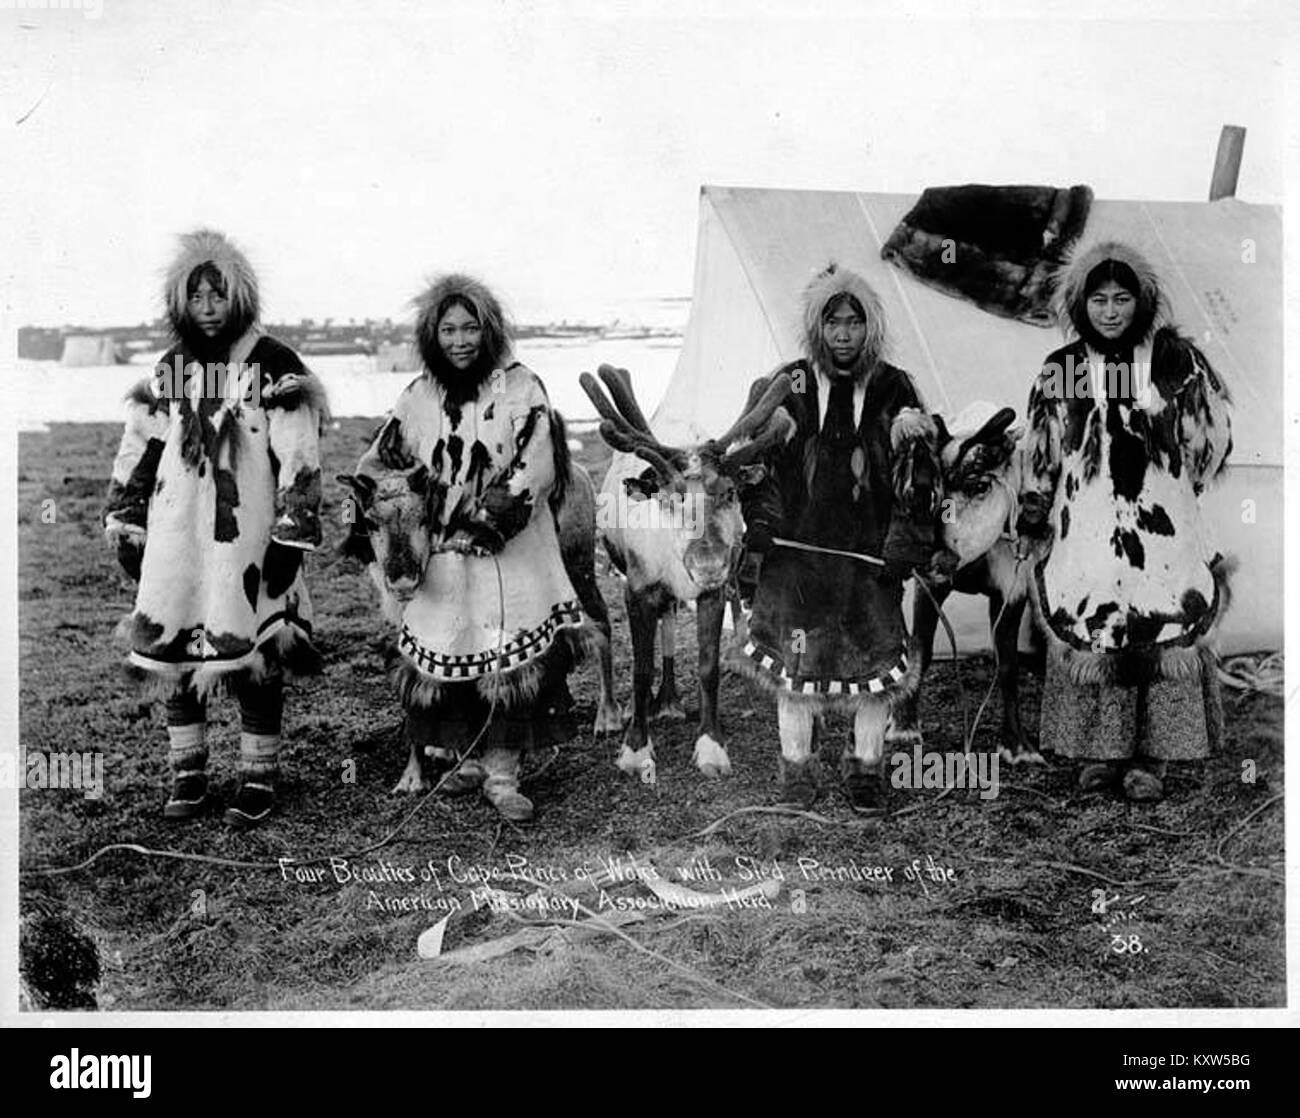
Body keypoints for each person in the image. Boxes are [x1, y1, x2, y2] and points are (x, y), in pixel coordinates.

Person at [104, 229, 328, 827]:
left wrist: (292, 532)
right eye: (196, 297)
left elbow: (300, 452)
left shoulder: (269, 362)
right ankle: (189, 774)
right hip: (176, 534)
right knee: (176, 648)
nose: (207, 309)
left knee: (252, 652)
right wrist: (126, 519)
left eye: (218, 296)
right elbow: (141, 445)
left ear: (240, 298)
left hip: (246, 538)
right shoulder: (173, 368)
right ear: (180, 301)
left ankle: (258, 776)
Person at [352, 274, 589, 823]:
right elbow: (379, 462)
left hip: (510, 548)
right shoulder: (418, 396)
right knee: (452, 647)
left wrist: (492, 518)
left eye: (470, 328)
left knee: (509, 656)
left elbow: (539, 460)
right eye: (448, 329)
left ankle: (504, 772)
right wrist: (381, 505)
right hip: (444, 554)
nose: (460, 341)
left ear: (489, 330)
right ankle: (468, 760)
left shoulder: (520, 385)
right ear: (432, 335)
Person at [1019, 241, 1233, 801]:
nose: (1111, 311)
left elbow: (1210, 442)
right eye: (1099, 300)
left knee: (1159, 624)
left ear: (1143, 301)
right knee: (1097, 625)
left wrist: (1174, 480)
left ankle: (1152, 760)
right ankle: (1100, 755)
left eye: (1121, 299)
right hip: (1085, 528)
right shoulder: (1063, 368)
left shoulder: (1172, 360)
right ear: (1079, 303)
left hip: (1159, 529)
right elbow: (1040, 449)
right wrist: (1035, 509)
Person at [732, 263, 940, 813]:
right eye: (833, 324)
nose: (843, 335)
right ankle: (796, 767)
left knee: (871, 663)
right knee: (795, 664)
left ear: (869, 326)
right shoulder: (791, 383)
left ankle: (866, 767)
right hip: (796, 557)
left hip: (870, 558)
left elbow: (918, 478)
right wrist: (764, 523)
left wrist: (904, 542)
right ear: (816, 328)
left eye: (853, 323)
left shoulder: (894, 387)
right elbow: (759, 464)